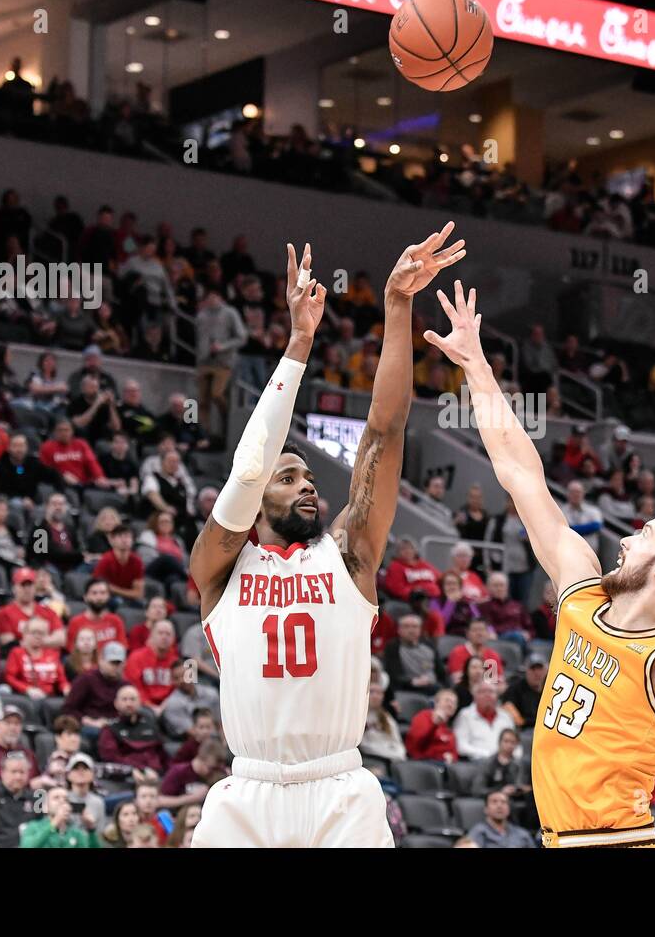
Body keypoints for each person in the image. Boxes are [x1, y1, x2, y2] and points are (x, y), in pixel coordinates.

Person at [425, 280, 655, 848]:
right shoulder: (581, 589)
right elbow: (521, 473)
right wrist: (477, 366)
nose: (626, 541)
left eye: (644, 535)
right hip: (558, 839)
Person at [188, 229, 464, 849]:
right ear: (258, 501)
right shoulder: (220, 569)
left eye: (311, 476)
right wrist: (299, 343)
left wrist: (396, 309)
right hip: (248, 792)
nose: (308, 485)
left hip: (340, 788)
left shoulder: (348, 554)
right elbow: (250, 464)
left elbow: (384, 433)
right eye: (290, 478)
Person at [452, 680, 516, 760]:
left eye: (491, 691)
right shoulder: (465, 715)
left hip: (506, 763)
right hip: (477, 763)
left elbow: (516, 743)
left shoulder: (506, 716)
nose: (487, 695)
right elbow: (460, 746)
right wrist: (489, 755)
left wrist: (513, 756)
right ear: (474, 696)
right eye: (482, 691)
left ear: (497, 696)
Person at [21, 786, 101, 848]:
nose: (62, 801)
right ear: (45, 807)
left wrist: (91, 830)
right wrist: (55, 822)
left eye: (66, 799)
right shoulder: (34, 827)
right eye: (56, 798)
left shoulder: (76, 833)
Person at [467, 790, 536, 848]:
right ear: (486, 809)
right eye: (494, 802)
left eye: (503, 802)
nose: (499, 806)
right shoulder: (479, 832)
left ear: (509, 809)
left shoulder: (522, 834)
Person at [404, 689, 459, 763]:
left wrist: (452, 758)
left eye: (454, 703)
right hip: (424, 763)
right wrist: (434, 724)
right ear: (436, 703)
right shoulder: (423, 716)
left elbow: (454, 752)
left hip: (444, 765)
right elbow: (417, 745)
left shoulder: (448, 727)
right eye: (447, 700)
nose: (450, 705)